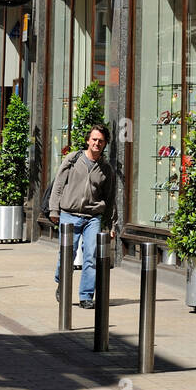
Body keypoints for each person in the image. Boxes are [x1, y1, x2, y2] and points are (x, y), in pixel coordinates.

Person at [48, 122, 116, 308]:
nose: (97, 143)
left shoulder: (106, 169)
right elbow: (59, 184)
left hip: (92, 217)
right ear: (88, 140)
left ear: (105, 144)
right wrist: (54, 209)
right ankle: (62, 284)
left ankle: (86, 296)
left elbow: (109, 198)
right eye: (94, 139)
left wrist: (109, 225)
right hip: (69, 214)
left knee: (91, 255)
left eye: (101, 141)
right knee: (67, 254)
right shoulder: (73, 158)